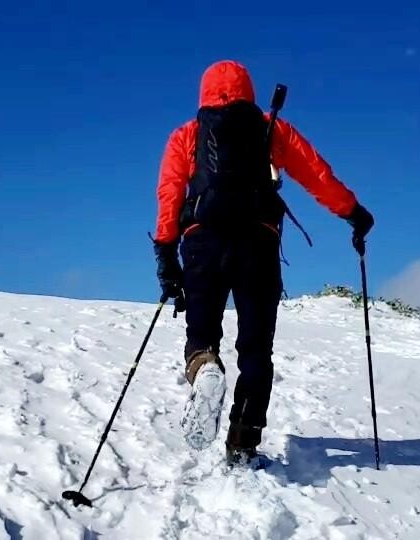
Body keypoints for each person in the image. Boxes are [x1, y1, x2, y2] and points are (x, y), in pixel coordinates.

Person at [152, 60, 374, 465]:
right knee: (256, 349)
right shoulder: (272, 129)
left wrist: (166, 253)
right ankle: (242, 444)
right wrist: (353, 212)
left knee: (201, 334)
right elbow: (316, 174)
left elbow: (169, 194)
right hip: (258, 244)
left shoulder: (188, 135)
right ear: (249, 90)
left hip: (202, 243)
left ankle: (204, 368)